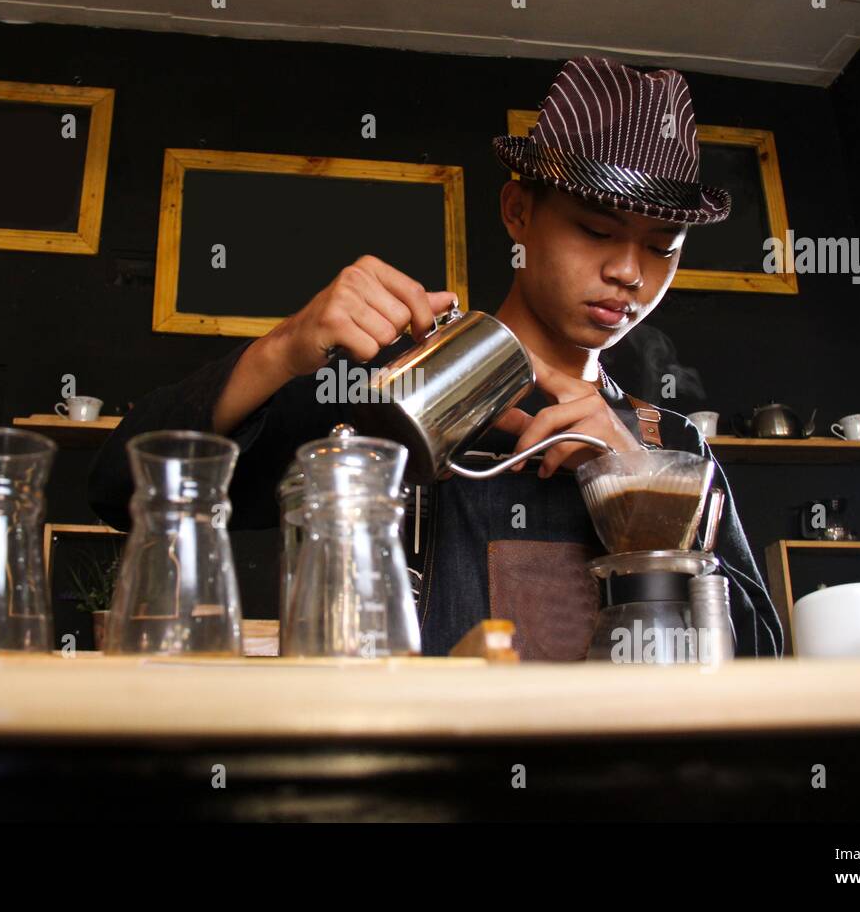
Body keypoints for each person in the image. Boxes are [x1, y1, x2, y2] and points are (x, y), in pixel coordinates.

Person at [90, 55, 783, 659]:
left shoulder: (672, 448)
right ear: (517, 212)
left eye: (662, 246)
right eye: (597, 230)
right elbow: (121, 490)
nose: (630, 272)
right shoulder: (377, 397)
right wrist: (283, 347)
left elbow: (755, 669)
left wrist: (638, 503)